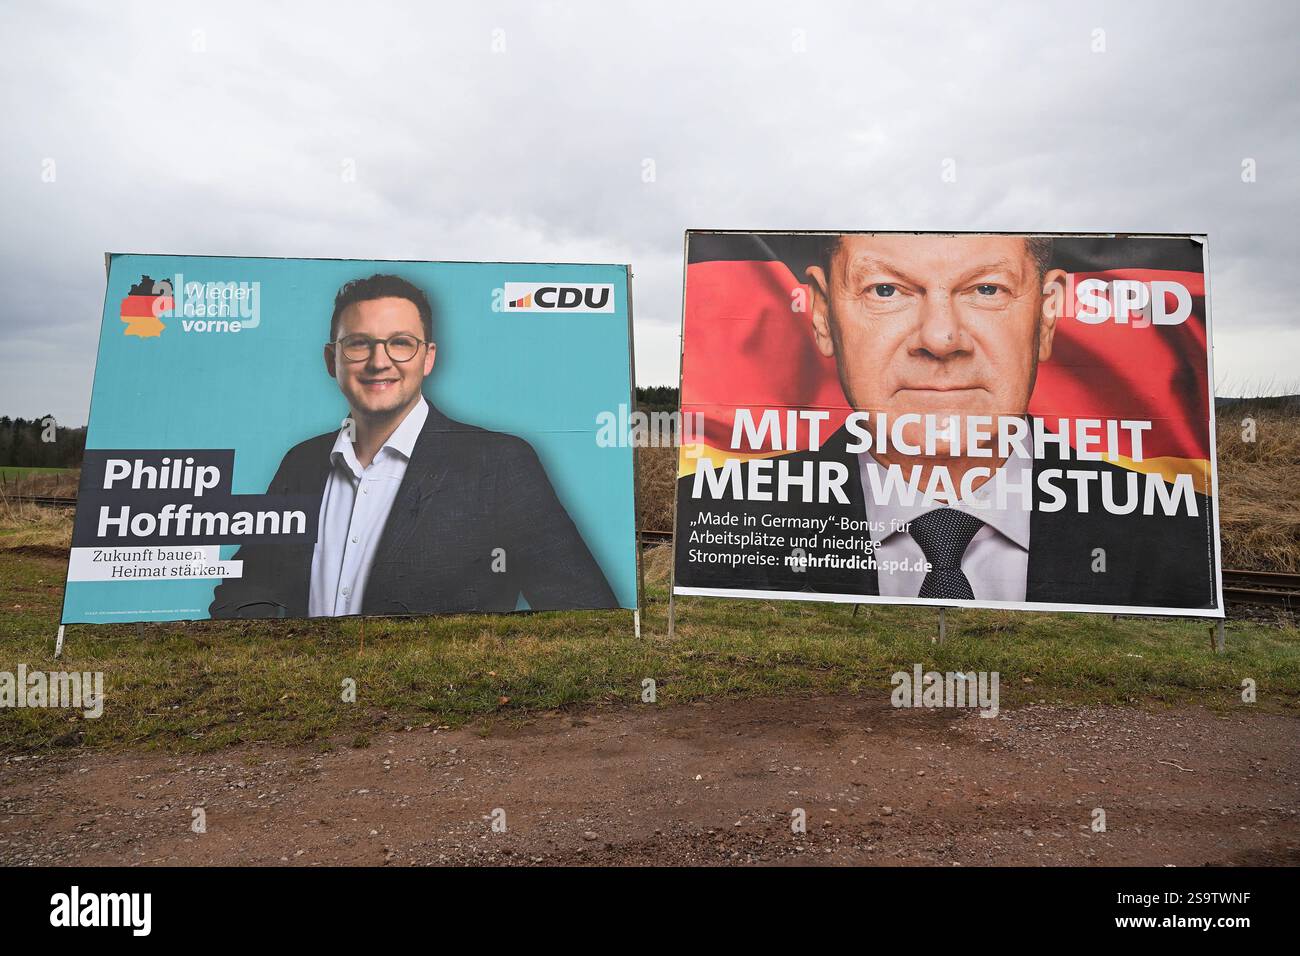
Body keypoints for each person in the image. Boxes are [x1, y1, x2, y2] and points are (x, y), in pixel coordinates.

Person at [676, 234, 1216, 610]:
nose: (939, 339)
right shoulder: (713, 517)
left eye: (987, 290)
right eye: (885, 290)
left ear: (1047, 314)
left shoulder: (1176, 530)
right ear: (823, 315)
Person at [211, 274, 616, 619]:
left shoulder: (499, 464)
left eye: (400, 343)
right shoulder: (301, 462)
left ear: (428, 358)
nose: (378, 361)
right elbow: (243, 590)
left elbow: (586, 614)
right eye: (358, 344)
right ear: (331, 359)